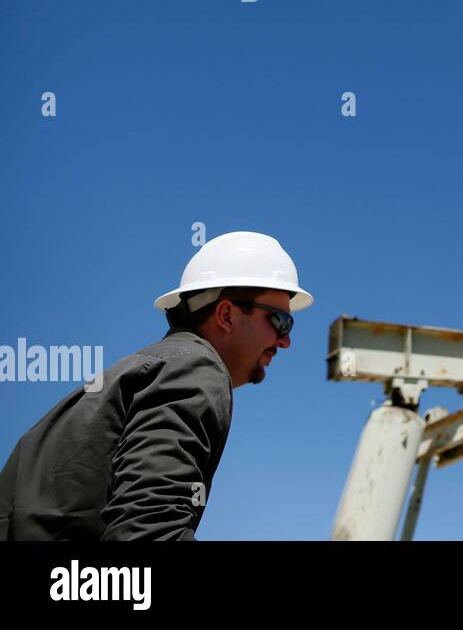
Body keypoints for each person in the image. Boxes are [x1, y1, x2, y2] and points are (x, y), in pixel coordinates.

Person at [0, 231, 312, 539]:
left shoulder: (150, 370)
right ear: (226, 315)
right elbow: (147, 532)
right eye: (280, 321)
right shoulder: (195, 369)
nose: (285, 341)